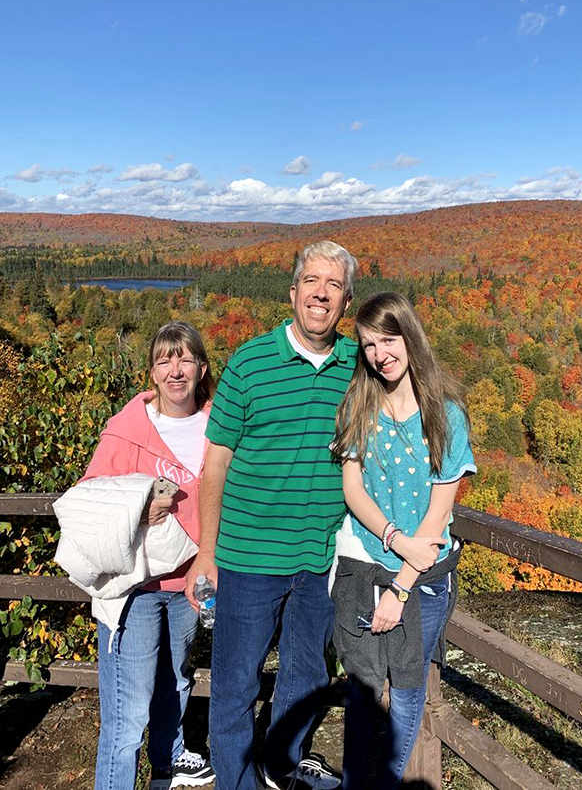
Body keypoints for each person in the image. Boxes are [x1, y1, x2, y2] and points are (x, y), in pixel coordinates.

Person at [185, 240, 359, 790]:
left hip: (320, 558)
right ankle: (236, 781)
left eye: (334, 285)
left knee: (307, 676)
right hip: (248, 555)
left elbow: (406, 411)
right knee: (236, 682)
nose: (321, 293)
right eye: (312, 281)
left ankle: (282, 766)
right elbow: (215, 464)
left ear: (346, 302)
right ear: (292, 292)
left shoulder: (359, 366)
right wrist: (206, 555)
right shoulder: (250, 363)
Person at [331, 292, 476, 789]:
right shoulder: (360, 403)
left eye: (388, 340)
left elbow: (437, 518)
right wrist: (394, 538)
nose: (379, 354)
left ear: (409, 337)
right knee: (365, 685)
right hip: (368, 565)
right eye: (369, 344)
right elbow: (353, 489)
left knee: (409, 688)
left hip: (424, 580)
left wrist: (400, 589)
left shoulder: (445, 415)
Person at [84, 322, 217, 790]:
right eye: (165, 360)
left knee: (177, 682)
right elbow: (90, 497)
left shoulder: (218, 425)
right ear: (153, 372)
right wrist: (141, 504)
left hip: (189, 584)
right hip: (136, 588)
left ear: (201, 368)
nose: (175, 370)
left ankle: (168, 764)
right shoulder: (129, 429)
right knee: (126, 714)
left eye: (184, 360)